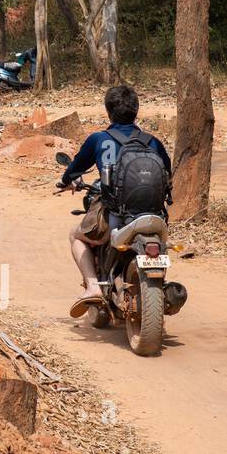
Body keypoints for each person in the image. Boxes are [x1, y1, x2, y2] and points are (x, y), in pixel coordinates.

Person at [56, 84, 171, 317]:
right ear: (136, 110)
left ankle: (92, 287)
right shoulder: (153, 142)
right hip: (154, 217)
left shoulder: (99, 140)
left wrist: (67, 180)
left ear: (108, 111)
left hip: (116, 216)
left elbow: (74, 168)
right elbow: (168, 175)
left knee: (75, 235)